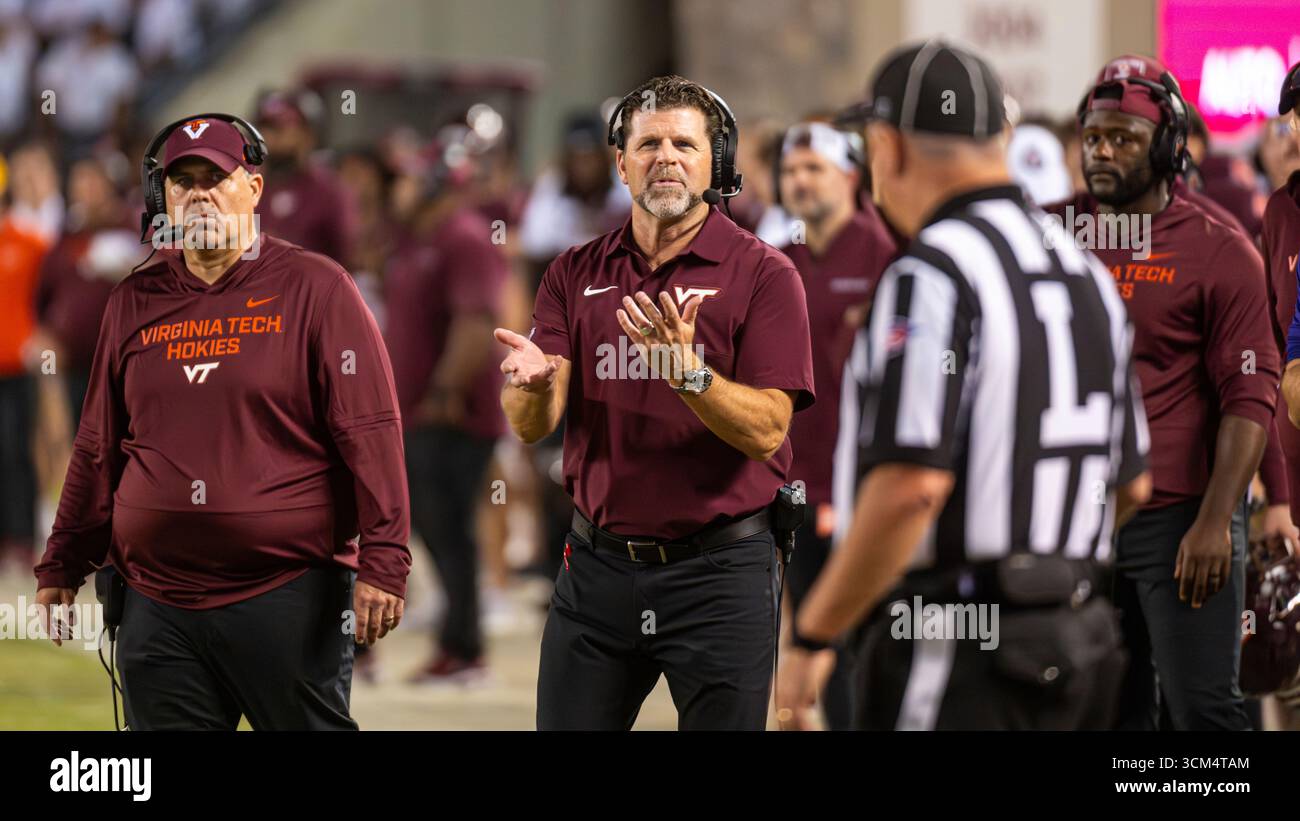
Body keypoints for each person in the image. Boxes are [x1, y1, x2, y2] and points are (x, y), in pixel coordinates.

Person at [777, 40, 1149, 731]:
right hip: (1084, 636)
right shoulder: (1086, 270)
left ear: (886, 147)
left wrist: (814, 636)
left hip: (963, 644)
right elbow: (1131, 483)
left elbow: (912, 486)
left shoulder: (933, 273)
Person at [33, 114, 411, 730]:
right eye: (183, 181)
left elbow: (371, 433)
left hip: (288, 592)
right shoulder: (134, 298)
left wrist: (385, 561)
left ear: (255, 189)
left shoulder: (318, 288)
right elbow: (99, 444)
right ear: (164, 199)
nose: (199, 193)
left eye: (217, 176)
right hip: (155, 601)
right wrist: (64, 559)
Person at [496, 75, 814, 730]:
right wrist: (528, 388)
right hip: (595, 568)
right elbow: (535, 425)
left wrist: (688, 373)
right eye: (647, 145)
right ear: (621, 162)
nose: (664, 158)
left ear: (715, 162)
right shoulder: (573, 271)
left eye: (682, 144)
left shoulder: (765, 274)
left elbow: (768, 431)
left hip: (720, 572)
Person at [1045, 55, 1279, 730]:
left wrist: (1216, 521)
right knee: (1105, 708)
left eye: (1124, 138)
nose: (1103, 152)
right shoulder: (1045, 234)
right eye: (1093, 138)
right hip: (1078, 515)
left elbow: (1249, 394)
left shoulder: (1218, 247)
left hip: (1181, 515)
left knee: (1202, 711)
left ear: (1169, 147)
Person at [775, 120, 897, 728]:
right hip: (795, 479)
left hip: (861, 481)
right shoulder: (778, 260)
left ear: (850, 174)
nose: (798, 181)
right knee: (807, 628)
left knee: (852, 639)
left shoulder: (885, 256)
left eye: (812, 169)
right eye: (790, 170)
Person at [384, 131, 509, 684]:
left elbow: (477, 322)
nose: (402, 189)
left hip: (452, 416)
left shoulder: (464, 237)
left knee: (447, 528)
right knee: (438, 528)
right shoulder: (421, 238)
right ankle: (458, 641)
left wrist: (442, 393)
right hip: (422, 411)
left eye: (412, 177)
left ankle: (465, 648)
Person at [252, 88, 357, 264]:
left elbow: (346, 257)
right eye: (264, 128)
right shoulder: (249, 190)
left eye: (279, 128)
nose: (269, 137)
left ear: (307, 133)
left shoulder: (330, 191)